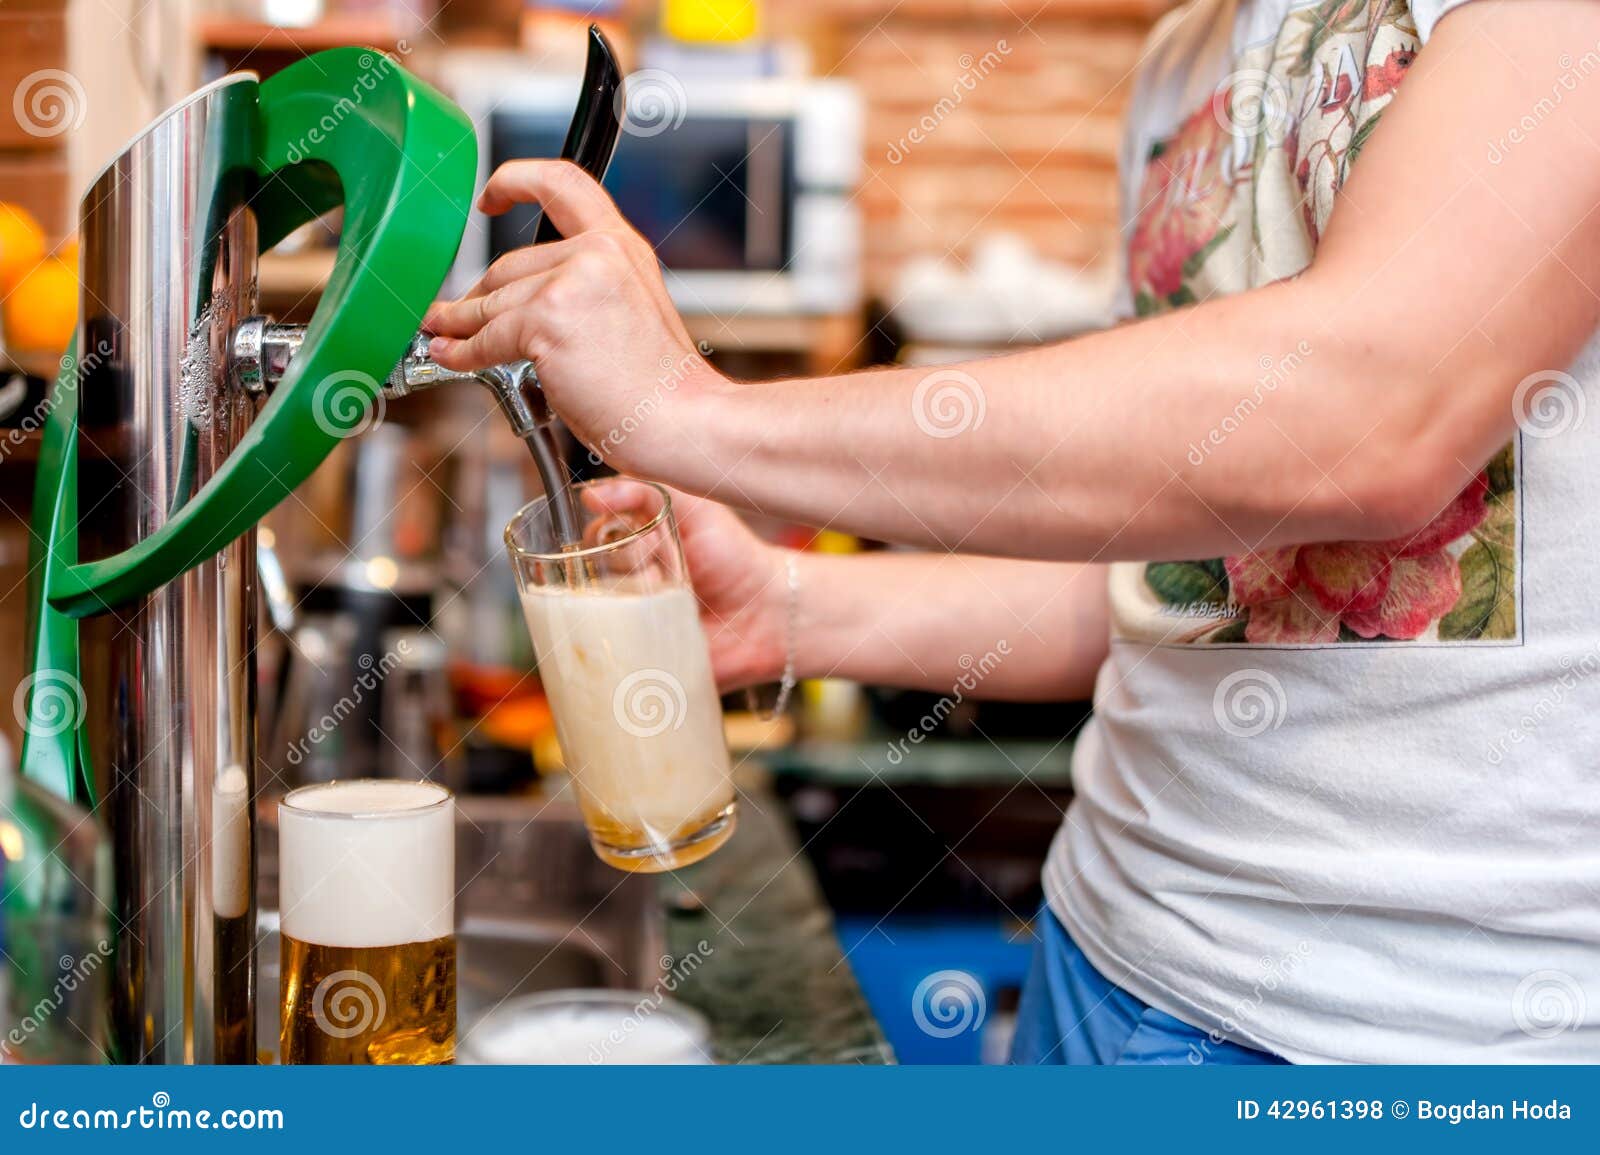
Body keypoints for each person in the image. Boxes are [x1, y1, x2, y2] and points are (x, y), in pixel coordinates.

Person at [426, 0, 1600, 1063]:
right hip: (1102, 957)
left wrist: (688, 413)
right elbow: (1181, 580)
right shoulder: (1188, 52)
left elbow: (1367, 418)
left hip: (1432, 1040)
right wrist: (792, 607)